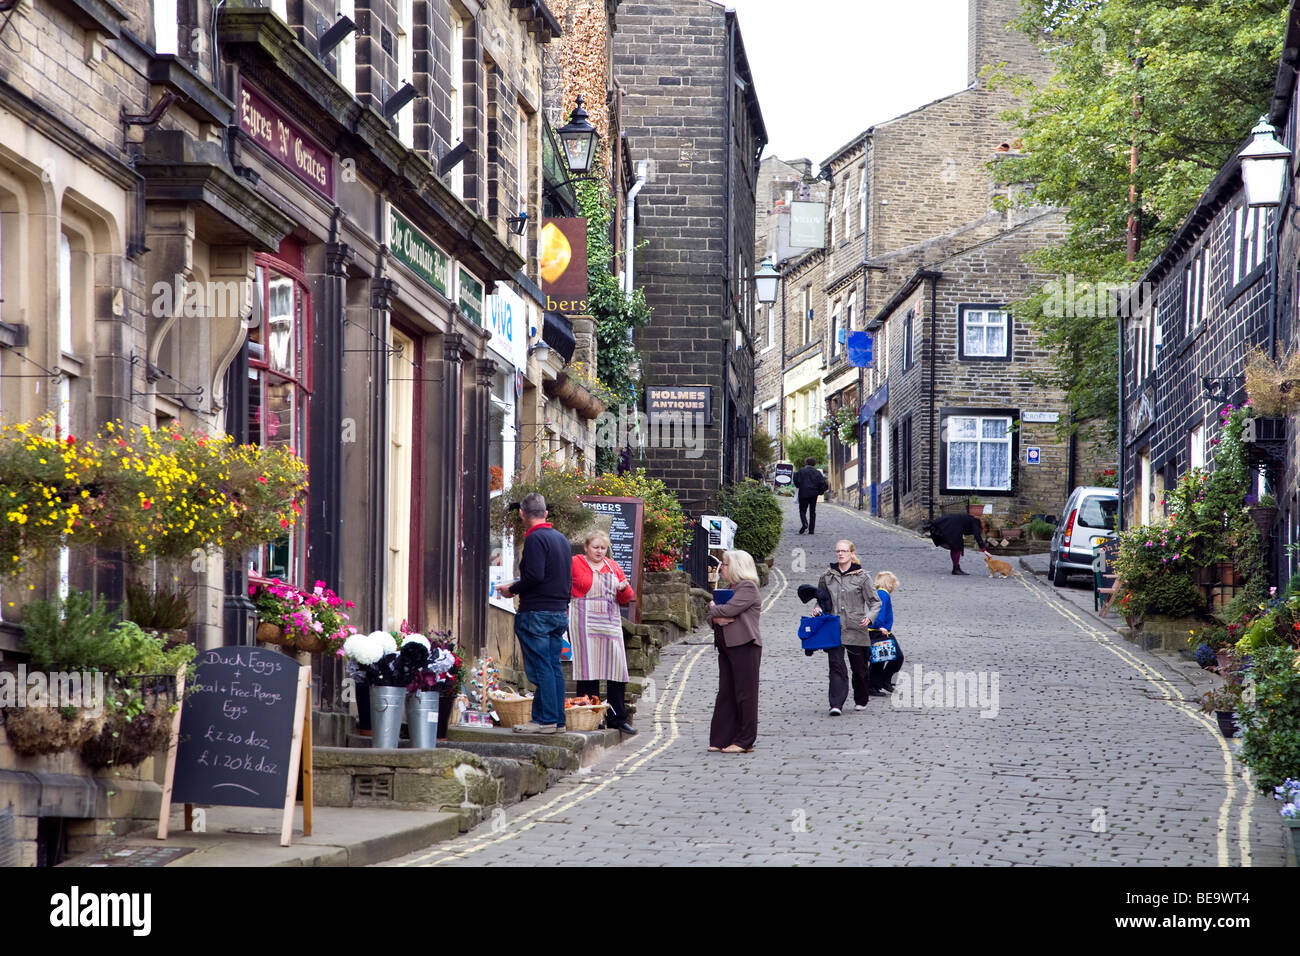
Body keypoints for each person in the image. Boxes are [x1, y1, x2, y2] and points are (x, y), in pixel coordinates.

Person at [496, 492, 572, 734]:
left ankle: (545, 720)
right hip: (559, 612)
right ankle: (555, 721)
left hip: (537, 613)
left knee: (541, 668)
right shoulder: (560, 538)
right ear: (546, 513)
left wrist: (512, 589)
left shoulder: (535, 539)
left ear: (522, 514)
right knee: (552, 667)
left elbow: (536, 576)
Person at [569, 529, 638, 735]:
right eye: (596, 547)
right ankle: (592, 717)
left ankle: (617, 719)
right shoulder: (575, 563)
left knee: (616, 670)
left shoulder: (613, 566)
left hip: (609, 621)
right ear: (586, 547)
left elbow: (627, 598)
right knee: (587, 670)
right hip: (583, 620)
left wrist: (624, 588)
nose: (600, 551)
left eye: (603, 548)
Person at [809, 540, 879, 715]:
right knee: (836, 666)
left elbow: (875, 602)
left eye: (844, 551)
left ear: (851, 554)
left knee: (860, 669)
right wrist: (818, 607)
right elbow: (821, 598)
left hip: (856, 627)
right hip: (833, 627)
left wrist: (869, 618)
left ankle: (861, 698)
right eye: (838, 551)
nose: (840, 554)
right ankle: (836, 704)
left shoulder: (863, 577)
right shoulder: (827, 576)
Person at [707, 550, 763, 754]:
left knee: (745, 694)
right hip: (727, 646)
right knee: (726, 692)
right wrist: (715, 616)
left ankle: (745, 740)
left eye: (725, 564)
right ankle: (721, 738)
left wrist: (714, 609)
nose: (722, 567)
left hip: (745, 646)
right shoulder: (730, 588)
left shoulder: (747, 587)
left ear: (737, 567)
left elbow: (728, 611)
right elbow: (714, 616)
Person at [868, 571, 903, 694]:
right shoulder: (883, 594)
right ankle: (882, 681)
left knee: (879, 659)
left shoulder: (879, 593)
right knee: (897, 657)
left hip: (875, 630)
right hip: (880, 631)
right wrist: (880, 626)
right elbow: (879, 612)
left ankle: (875, 684)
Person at [921, 512, 989, 575]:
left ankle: (956, 567)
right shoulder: (976, 522)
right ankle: (956, 569)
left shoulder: (973, 520)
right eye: (985, 529)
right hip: (953, 526)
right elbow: (977, 536)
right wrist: (984, 550)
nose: (983, 531)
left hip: (952, 523)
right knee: (956, 547)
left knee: (955, 547)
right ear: (984, 524)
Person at [793, 457, 829, 534]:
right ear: (814, 464)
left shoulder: (801, 471)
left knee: (802, 510)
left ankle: (805, 523)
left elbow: (796, 480)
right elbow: (822, 483)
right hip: (813, 493)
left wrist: (799, 486)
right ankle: (811, 530)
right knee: (812, 511)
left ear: (806, 463)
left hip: (803, 492)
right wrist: (819, 492)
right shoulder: (817, 472)